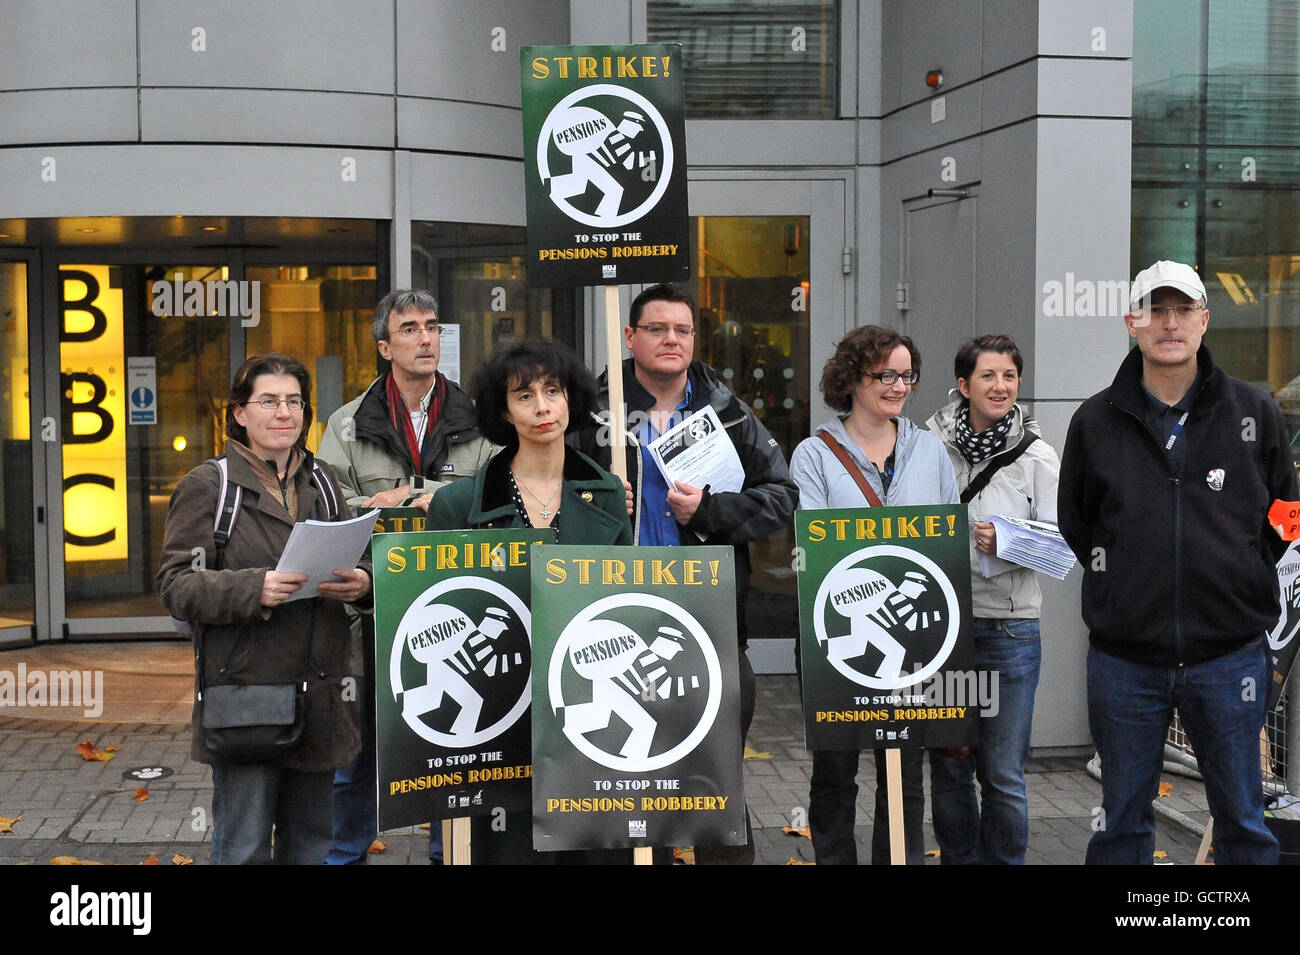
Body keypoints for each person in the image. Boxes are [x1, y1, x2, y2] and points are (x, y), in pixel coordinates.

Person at [1058, 260, 1297, 865]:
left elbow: (1286, 511)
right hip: (1124, 660)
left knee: (1244, 822)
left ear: (1204, 320)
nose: (1170, 323)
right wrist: (1127, 582)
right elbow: (1078, 523)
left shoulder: (1253, 411)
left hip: (1229, 656)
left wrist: (1237, 570)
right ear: (1131, 322)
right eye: (1155, 310)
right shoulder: (1094, 420)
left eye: (1183, 309)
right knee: (1121, 826)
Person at [571, 282, 798, 865]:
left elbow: (781, 497)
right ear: (629, 336)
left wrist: (711, 511)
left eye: (683, 330)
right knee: (624, 780)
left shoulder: (725, 409)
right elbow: (543, 501)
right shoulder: (587, 409)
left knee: (715, 781)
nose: (672, 340)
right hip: (612, 623)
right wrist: (592, 505)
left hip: (709, 626)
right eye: (657, 329)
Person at [157, 354, 372, 864]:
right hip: (246, 699)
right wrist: (255, 588)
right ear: (239, 413)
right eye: (269, 401)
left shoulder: (321, 481)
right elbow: (176, 586)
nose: (284, 413)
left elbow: (358, 559)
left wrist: (363, 584)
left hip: (321, 698)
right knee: (244, 848)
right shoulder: (209, 487)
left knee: (311, 847)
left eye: (294, 402)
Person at [429, 339, 632, 863]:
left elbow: (624, 602)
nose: (542, 406)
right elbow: (442, 609)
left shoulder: (608, 491)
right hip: (498, 716)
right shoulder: (458, 503)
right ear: (503, 410)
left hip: (587, 711)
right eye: (525, 395)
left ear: (571, 399)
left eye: (553, 391)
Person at [317, 288, 493, 865]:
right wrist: (381, 508)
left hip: (455, 611)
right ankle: (346, 855)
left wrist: (420, 495)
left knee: (451, 743)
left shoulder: (479, 418)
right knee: (356, 753)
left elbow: (497, 495)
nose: (425, 338)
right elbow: (326, 504)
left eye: (433, 327)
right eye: (411, 328)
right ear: (385, 346)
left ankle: (451, 854)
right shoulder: (346, 424)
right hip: (366, 612)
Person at [789, 325, 958, 865]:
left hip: (910, 636)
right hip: (840, 633)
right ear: (851, 378)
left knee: (905, 770)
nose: (898, 385)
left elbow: (947, 536)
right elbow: (814, 545)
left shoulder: (929, 450)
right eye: (884, 374)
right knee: (835, 770)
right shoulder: (814, 454)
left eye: (906, 375)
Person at [924, 334, 1060, 864]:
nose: (1000, 386)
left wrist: (1008, 540)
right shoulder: (927, 446)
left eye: (1009, 376)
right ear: (963, 385)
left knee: (1002, 773)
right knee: (951, 765)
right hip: (944, 629)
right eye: (988, 376)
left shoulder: (1038, 456)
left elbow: (1061, 545)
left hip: (1010, 631)